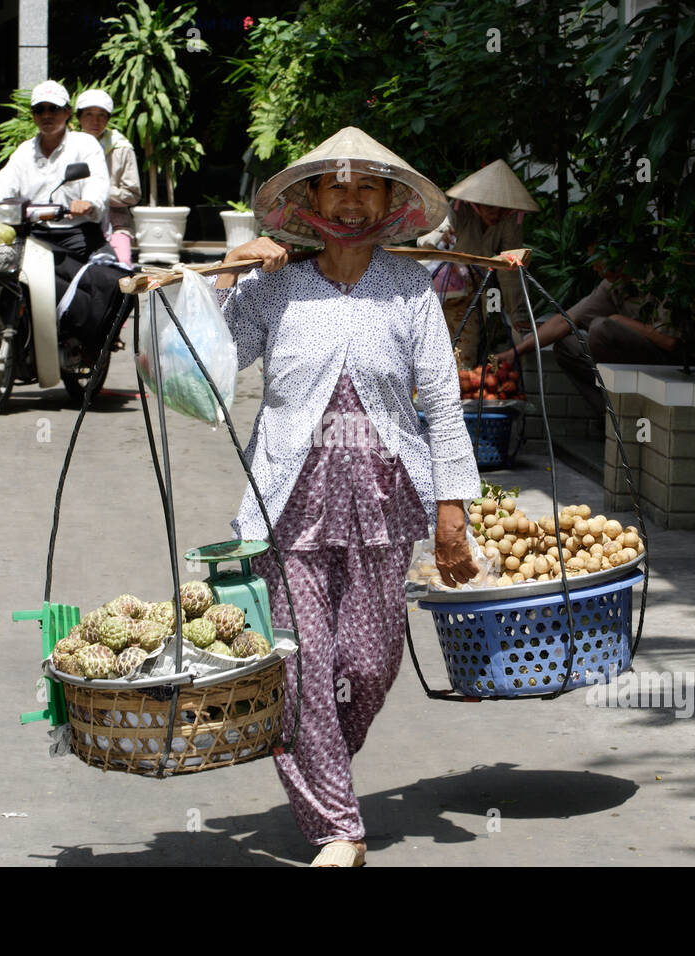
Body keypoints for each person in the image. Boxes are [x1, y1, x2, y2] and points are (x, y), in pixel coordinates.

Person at [214, 127, 482, 867]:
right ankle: (340, 827)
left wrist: (453, 508)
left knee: (368, 666)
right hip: (286, 500)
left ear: (391, 202)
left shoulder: (409, 288)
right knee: (298, 664)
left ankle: (313, 755)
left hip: (385, 496)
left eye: (368, 186)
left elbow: (443, 403)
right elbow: (197, 376)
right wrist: (227, 277)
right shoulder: (274, 287)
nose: (352, 200)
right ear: (310, 199)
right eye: (338, 185)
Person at [0, 80, 125, 355]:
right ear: (34, 116)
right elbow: (2, 185)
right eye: (40, 110)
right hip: (31, 234)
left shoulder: (84, 145)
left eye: (54, 109)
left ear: (67, 113)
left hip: (76, 235)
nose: (47, 115)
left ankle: (84, 344)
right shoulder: (24, 151)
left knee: (107, 283)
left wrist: (88, 203)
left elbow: (98, 183)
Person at [493, 263, 695, 414]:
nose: (595, 267)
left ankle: (626, 410)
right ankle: (609, 414)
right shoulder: (611, 286)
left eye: (598, 259)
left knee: (601, 328)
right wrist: (514, 353)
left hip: (671, 365)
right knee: (567, 344)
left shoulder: (659, 280)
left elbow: (669, 342)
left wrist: (618, 320)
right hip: (631, 365)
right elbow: (565, 320)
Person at [417, 159, 541, 360]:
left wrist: (518, 315)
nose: (496, 214)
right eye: (490, 207)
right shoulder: (459, 209)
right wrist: (442, 234)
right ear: (477, 203)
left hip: (479, 287)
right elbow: (436, 231)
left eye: (502, 208)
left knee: (466, 351)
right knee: (431, 345)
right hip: (447, 285)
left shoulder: (510, 219)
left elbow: (510, 266)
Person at [74, 89, 142, 265]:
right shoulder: (68, 148)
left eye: (102, 115)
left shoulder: (121, 148)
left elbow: (132, 193)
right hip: (75, 225)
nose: (95, 121)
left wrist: (99, 194)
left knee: (122, 266)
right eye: (89, 114)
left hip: (116, 224)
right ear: (79, 118)